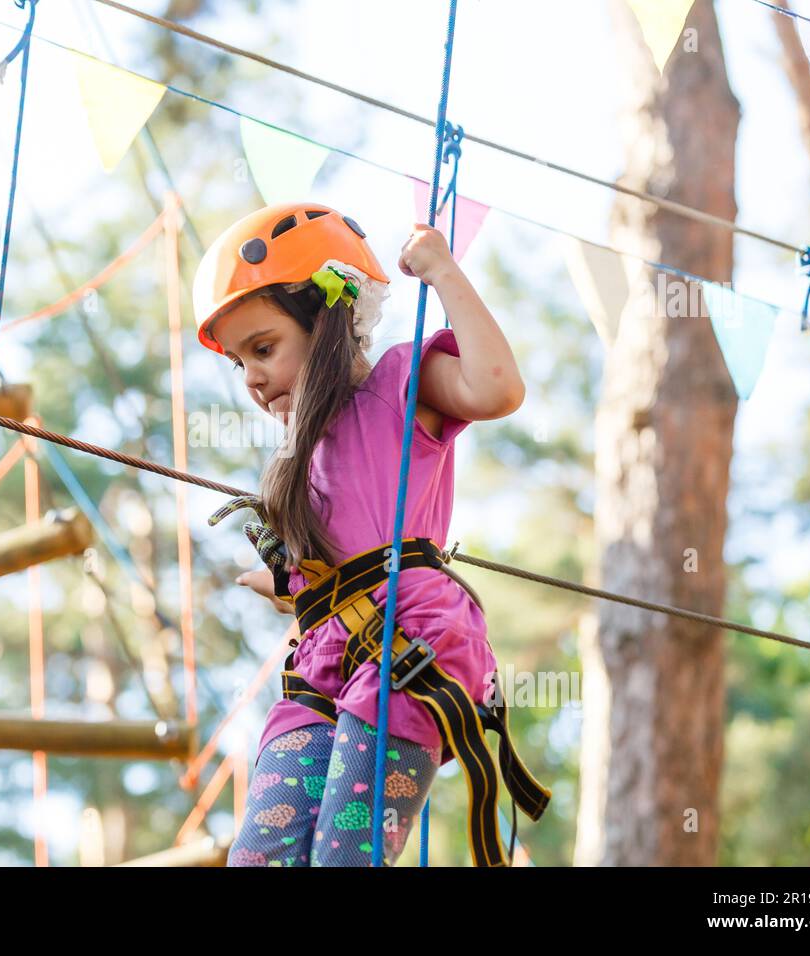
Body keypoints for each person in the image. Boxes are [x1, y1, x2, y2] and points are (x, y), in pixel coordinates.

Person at [193, 201, 548, 867]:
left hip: (409, 647)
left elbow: (497, 387)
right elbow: (337, 555)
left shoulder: (401, 385)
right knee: (258, 857)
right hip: (327, 662)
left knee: (344, 857)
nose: (252, 379)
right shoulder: (298, 463)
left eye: (263, 349)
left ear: (328, 321)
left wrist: (442, 271)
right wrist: (285, 586)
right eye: (240, 362)